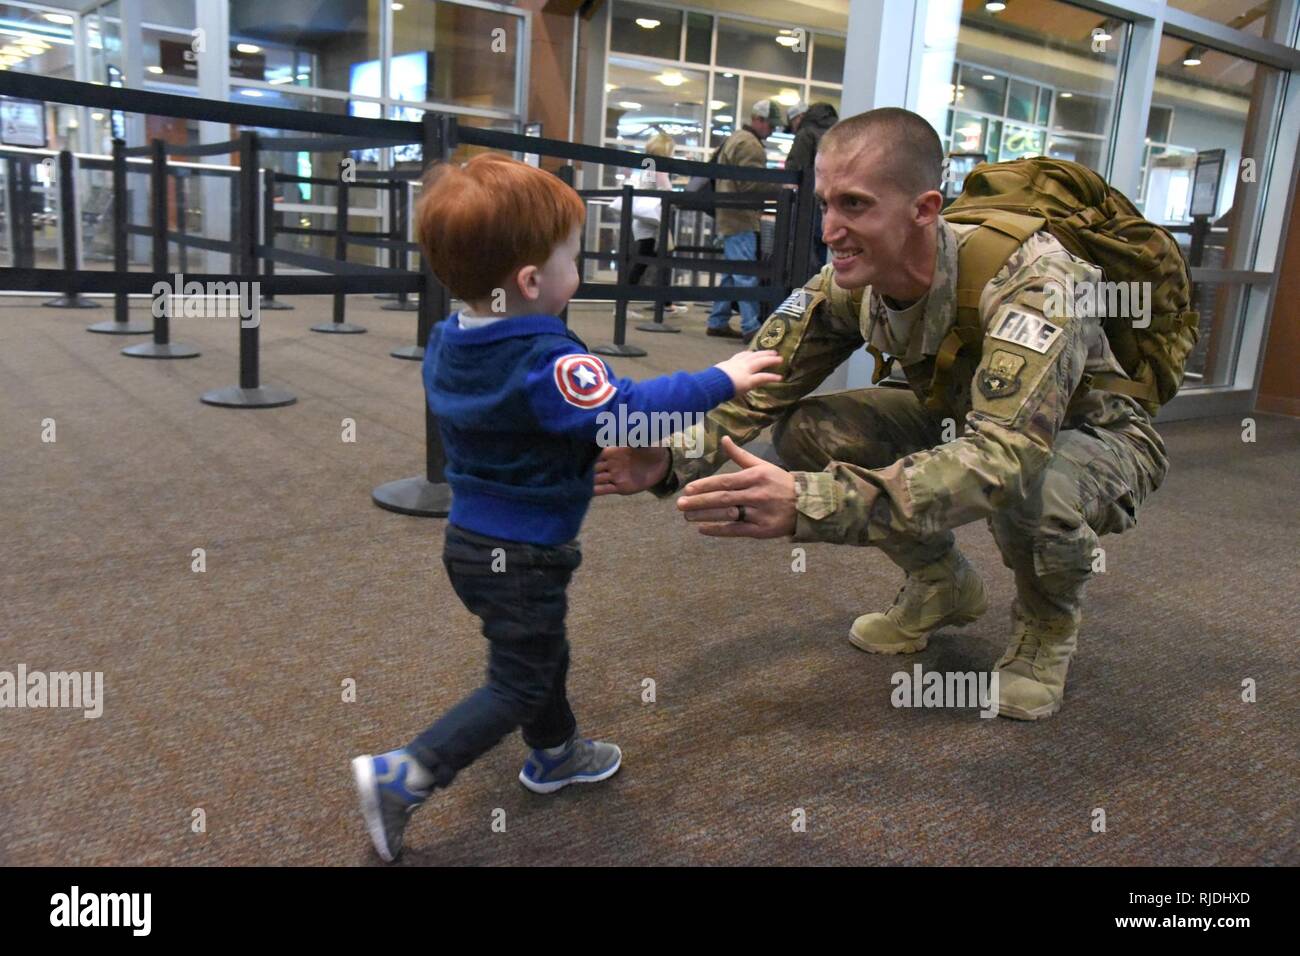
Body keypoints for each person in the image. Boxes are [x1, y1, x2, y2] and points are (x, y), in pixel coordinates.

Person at [595, 108, 1169, 721]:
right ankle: (943, 583)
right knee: (814, 430)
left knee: (1034, 484)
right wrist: (666, 455)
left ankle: (1045, 630)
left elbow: (1006, 457)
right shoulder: (849, 280)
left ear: (924, 208)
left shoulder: (1037, 280)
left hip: (1095, 438)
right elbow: (760, 383)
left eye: (855, 205)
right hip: (961, 417)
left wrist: (811, 503)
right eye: (824, 204)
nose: (829, 230)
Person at [350, 153, 783, 861]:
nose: (577, 269)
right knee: (517, 681)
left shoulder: (447, 341)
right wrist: (720, 378)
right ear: (531, 281)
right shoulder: (548, 361)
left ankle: (554, 754)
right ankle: (406, 775)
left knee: (540, 654)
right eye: (572, 258)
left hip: (470, 543)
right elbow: (627, 410)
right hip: (526, 554)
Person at [706, 98, 780, 343]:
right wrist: (780, 185)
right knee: (745, 272)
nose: (773, 130)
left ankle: (717, 321)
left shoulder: (736, 137)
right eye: (771, 125)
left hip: (728, 215)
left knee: (732, 271)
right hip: (741, 217)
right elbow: (750, 184)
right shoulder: (751, 145)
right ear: (758, 120)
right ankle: (751, 326)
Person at [617, 131, 685, 319]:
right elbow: (666, 190)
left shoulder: (648, 165)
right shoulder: (659, 167)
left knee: (651, 262)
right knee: (649, 263)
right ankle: (623, 304)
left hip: (643, 222)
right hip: (652, 224)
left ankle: (665, 303)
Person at [783, 100, 839, 279]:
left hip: (809, 207)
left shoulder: (806, 134)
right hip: (834, 205)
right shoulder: (836, 133)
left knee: (807, 258)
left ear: (799, 117)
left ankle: (809, 299)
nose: (793, 129)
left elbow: (794, 171)